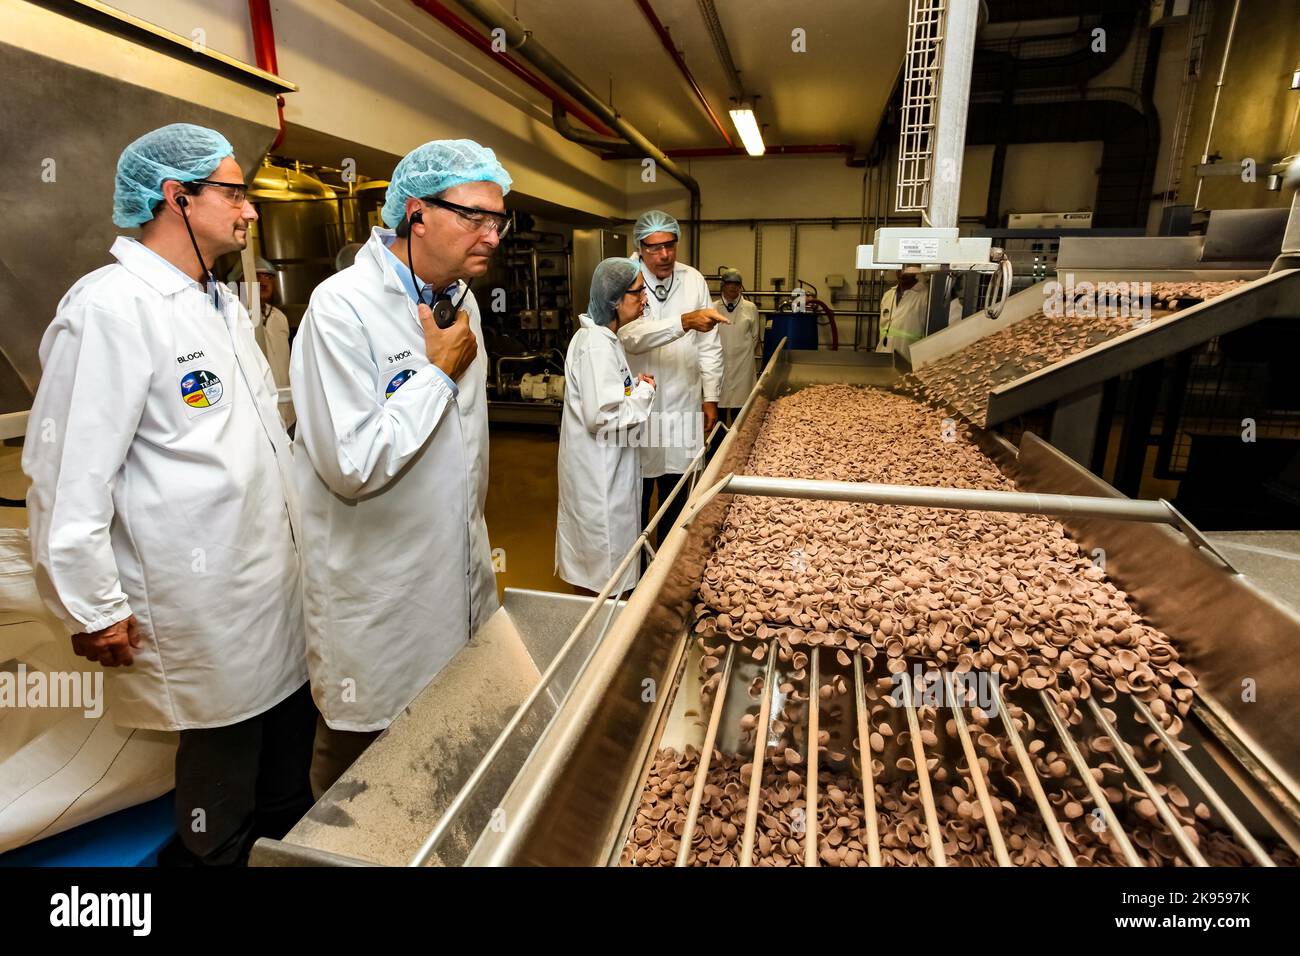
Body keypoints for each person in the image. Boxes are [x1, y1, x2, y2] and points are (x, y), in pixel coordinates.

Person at [23, 123, 313, 866]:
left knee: (285, 768)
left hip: (267, 586)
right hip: (200, 601)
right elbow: (68, 474)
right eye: (234, 191)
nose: (249, 210)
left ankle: (288, 849)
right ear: (176, 197)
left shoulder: (214, 303)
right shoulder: (110, 309)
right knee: (220, 788)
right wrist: (92, 603)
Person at [290, 139, 508, 798]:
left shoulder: (459, 301)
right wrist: (437, 372)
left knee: (441, 758)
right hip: (380, 601)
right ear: (416, 214)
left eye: (500, 220)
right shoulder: (340, 309)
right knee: (359, 783)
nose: (492, 235)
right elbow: (352, 463)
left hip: (458, 573)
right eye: (475, 217)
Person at [618, 210, 728, 544]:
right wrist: (684, 321)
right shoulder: (625, 278)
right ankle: (633, 575)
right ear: (639, 247)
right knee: (632, 494)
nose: (664, 255)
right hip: (637, 406)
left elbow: (709, 344)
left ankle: (664, 568)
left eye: (670, 245)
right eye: (654, 248)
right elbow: (629, 335)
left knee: (676, 494)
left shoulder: (692, 278)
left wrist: (711, 397)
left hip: (682, 399)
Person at [555, 258, 656, 594]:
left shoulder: (605, 340)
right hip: (599, 479)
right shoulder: (596, 346)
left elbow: (608, 398)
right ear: (615, 300)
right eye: (638, 292)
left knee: (606, 563)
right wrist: (644, 393)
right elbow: (603, 417)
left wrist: (630, 390)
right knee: (602, 571)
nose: (644, 299)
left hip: (607, 471)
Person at [229, 257, 294, 428]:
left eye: (268, 276)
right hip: (257, 411)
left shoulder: (279, 317)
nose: (263, 280)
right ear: (239, 282)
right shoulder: (232, 318)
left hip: (288, 406)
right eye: (256, 275)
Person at [713, 267, 762, 423]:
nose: (733, 287)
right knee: (717, 409)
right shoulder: (712, 308)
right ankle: (717, 445)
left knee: (740, 412)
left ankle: (738, 444)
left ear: (740, 286)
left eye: (737, 284)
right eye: (729, 283)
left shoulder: (750, 308)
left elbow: (755, 336)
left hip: (743, 366)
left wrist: (740, 351)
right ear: (723, 285)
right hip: (718, 365)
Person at [874, 265, 930, 363]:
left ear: (915, 270)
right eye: (899, 268)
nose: (902, 272)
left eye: (907, 268)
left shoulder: (925, 296)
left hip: (909, 357)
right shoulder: (888, 295)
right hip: (883, 353)